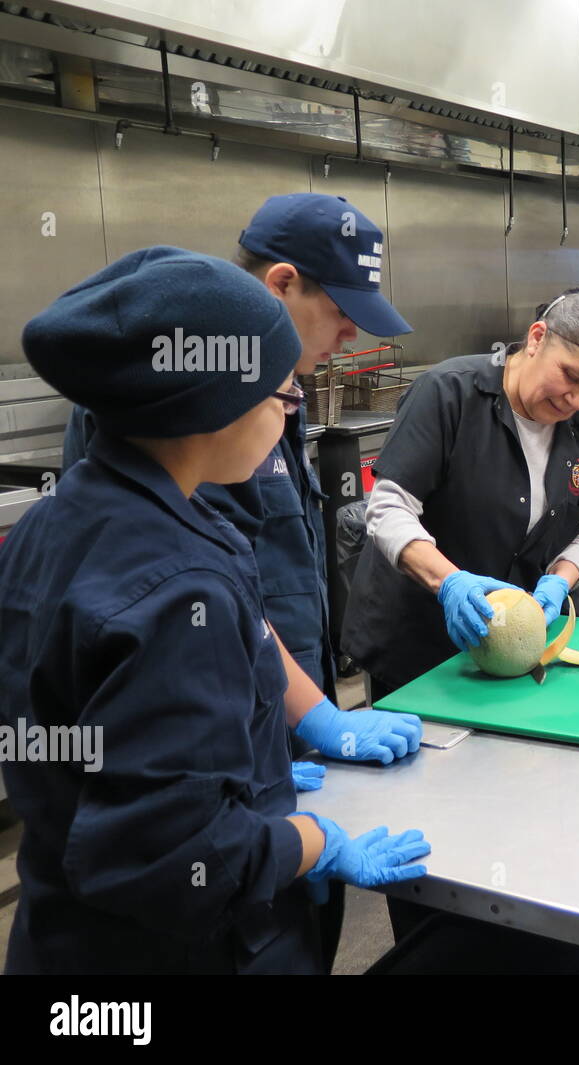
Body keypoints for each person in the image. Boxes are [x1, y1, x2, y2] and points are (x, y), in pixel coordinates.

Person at [0, 248, 429, 973]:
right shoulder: (181, 587)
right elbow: (171, 858)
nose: (290, 411)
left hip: (63, 938)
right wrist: (309, 841)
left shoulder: (58, 519)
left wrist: (253, 777)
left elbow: (99, 757)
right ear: (211, 409)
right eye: (282, 394)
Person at [61, 192, 414, 703]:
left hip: (282, 699)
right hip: (209, 710)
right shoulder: (186, 392)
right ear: (282, 284)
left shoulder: (275, 377)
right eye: (340, 309)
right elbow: (184, 595)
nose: (351, 333)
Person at [342, 289, 579, 702]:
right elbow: (387, 509)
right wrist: (450, 584)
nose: (576, 400)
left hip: (508, 651)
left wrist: (558, 582)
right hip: (416, 644)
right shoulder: (448, 394)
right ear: (537, 338)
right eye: (571, 376)